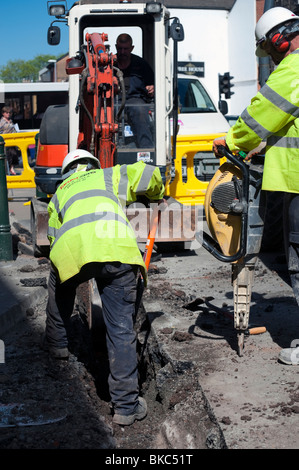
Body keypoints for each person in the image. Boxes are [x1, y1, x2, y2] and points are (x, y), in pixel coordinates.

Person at [44, 149, 165, 425]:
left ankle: (58, 345)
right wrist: (156, 193)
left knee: (58, 281)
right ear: (92, 165)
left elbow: (53, 239)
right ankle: (125, 407)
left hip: (73, 253)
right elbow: (151, 174)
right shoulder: (109, 175)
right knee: (121, 328)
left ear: (66, 173)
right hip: (116, 251)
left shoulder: (59, 194)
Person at [213, 7, 299, 366]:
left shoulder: (294, 69)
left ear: (280, 39)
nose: (274, 58)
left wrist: (232, 142)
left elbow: (261, 114)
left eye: (272, 50)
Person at [115, 33, 154, 148]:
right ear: (116, 47)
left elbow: (152, 83)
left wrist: (152, 88)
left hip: (135, 99)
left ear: (132, 48)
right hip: (113, 100)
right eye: (120, 49)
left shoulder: (141, 64)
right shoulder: (109, 64)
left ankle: (147, 149)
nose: (122, 52)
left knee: (139, 110)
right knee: (103, 115)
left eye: (126, 49)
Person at [0, 106, 17, 175]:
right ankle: (8, 170)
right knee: (7, 156)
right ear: (3, 113)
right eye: (6, 113)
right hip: (5, 141)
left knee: (13, 154)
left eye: (9, 113)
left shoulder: (11, 121)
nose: (8, 114)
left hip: (12, 140)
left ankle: (11, 168)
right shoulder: (1, 122)